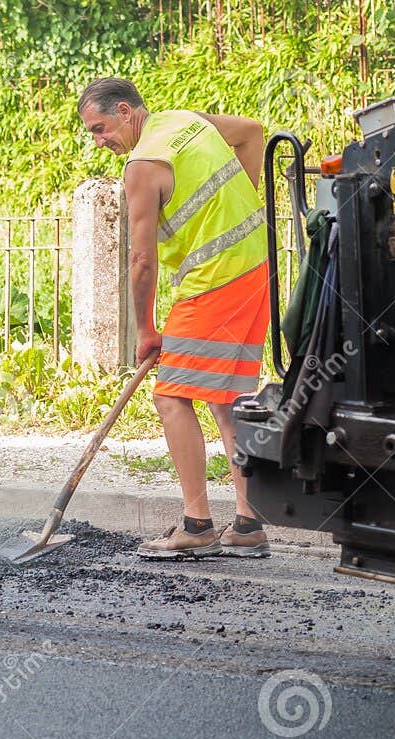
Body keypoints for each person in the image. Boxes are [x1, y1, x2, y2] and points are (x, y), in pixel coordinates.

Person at [79, 78, 271, 560]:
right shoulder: (184, 121)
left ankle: (197, 524)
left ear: (125, 111)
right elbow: (252, 130)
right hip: (255, 271)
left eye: (100, 128)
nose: (98, 140)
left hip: (214, 281)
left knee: (171, 397)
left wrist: (145, 330)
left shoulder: (142, 165)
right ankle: (248, 525)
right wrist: (241, 199)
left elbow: (140, 261)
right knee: (229, 401)